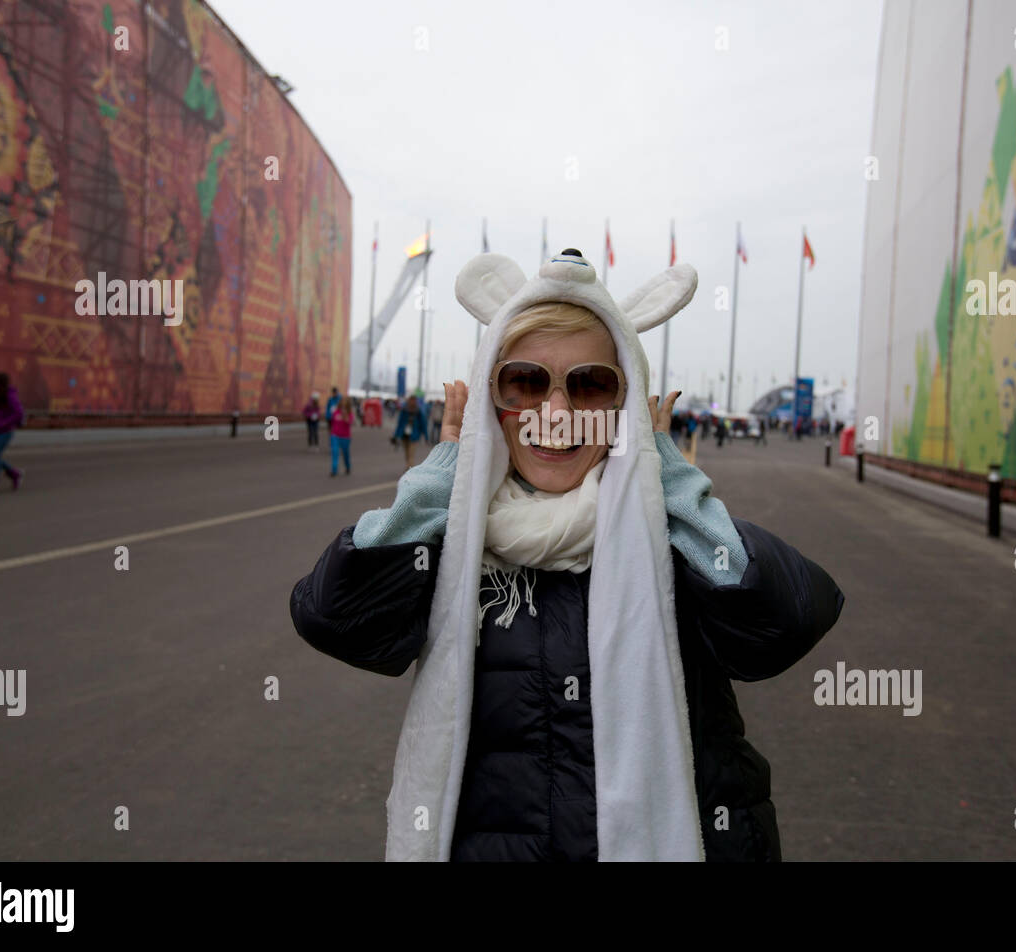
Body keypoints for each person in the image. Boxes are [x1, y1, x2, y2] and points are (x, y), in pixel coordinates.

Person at [290, 249, 844, 861]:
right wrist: (443, 480)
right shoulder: (450, 545)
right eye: (525, 381)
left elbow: (783, 619)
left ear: (624, 407)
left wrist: (667, 482)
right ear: (488, 403)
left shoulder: (678, 543)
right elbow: (334, 617)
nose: (555, 415)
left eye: (591, 385)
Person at [392, 393, 429, 470]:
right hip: (404, 435)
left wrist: (426, 436)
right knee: (407, 454)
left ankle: (409, 469)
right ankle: (408, 467)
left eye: (414, 400)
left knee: (411, 454)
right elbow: (400, 423)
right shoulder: (404, 410)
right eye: (411, 400)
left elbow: (423, 424)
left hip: (414, 436)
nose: (412, 402)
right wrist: (396, 435)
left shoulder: (418, 411)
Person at [329, 395, 354, 477]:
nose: (343, 407)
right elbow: (332, 421)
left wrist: (345, 415)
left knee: (345, 454)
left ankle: (348, 467)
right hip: (335, 435)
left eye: (345, 405)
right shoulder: (336, 412)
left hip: (345, 437)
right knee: (335, 452)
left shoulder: (350, 414)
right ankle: (334, 470)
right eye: (342, 405)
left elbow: (349, 422)